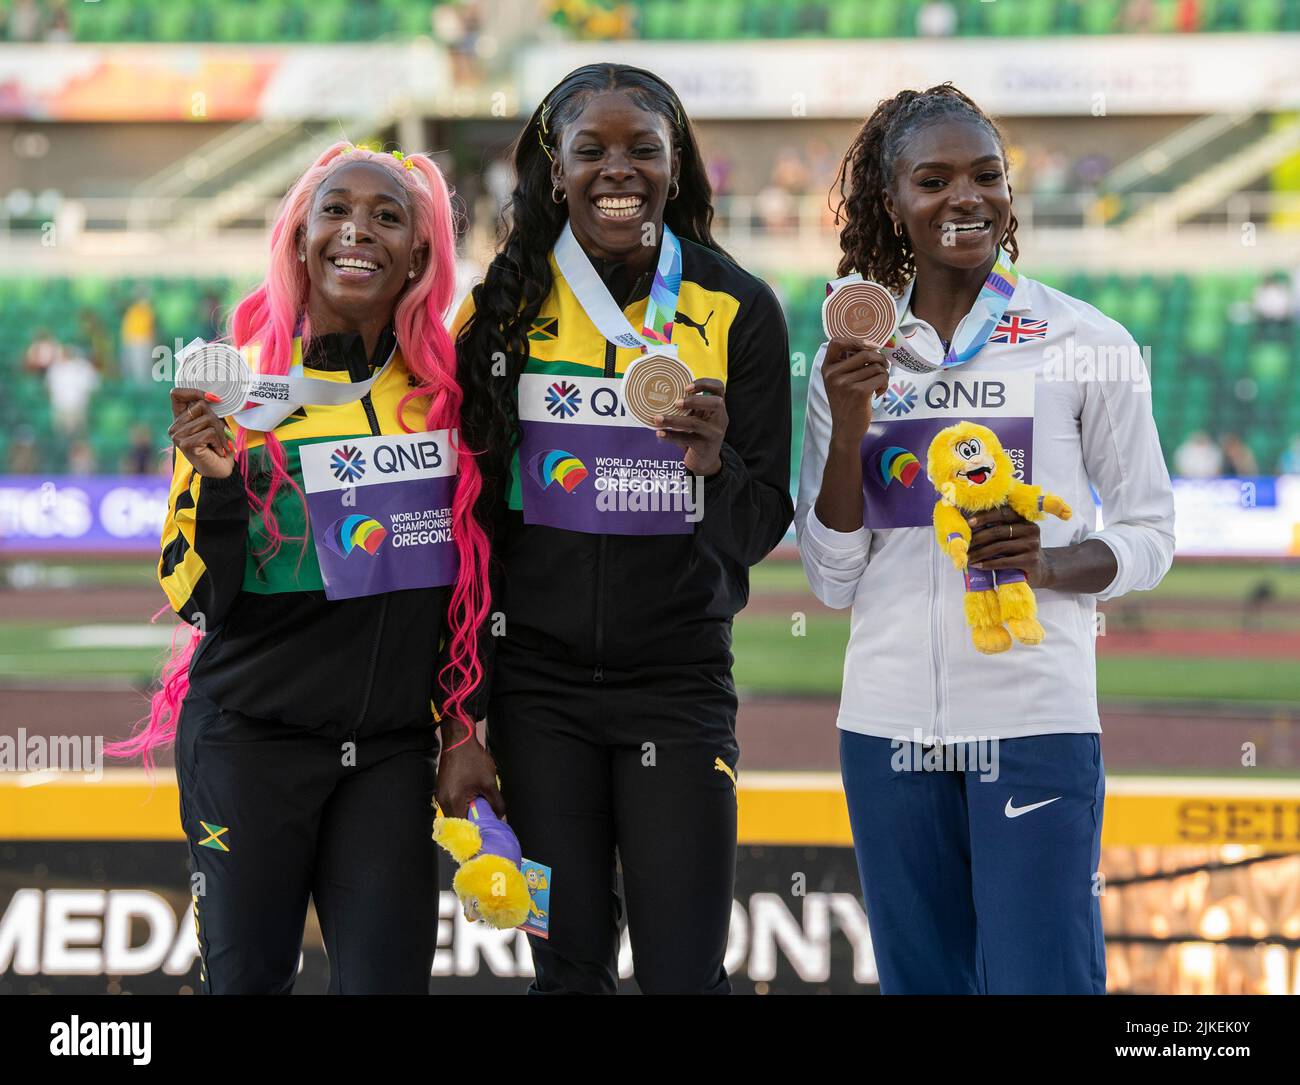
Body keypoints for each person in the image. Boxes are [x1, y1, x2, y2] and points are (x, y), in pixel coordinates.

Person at [796, 84, 1174, 995]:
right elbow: (832, 579)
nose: (964, 198)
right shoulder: (854, 355)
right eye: (933, 179)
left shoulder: (1086, 340)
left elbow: (1151, 532)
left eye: (986, 176)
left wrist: (1049, 563)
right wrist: (850, 423)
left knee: (1044, 978)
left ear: (1010, 193)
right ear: (893, 203)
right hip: (886, 726)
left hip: (1034, 719)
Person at [108, 143, 497, 994]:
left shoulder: (447, 402)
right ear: (299, 241)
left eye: (387, 216)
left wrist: (464, 731)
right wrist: (218, 488)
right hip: (249, 748)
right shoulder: (235, 397)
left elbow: (472, 596)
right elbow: (199, 598)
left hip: (388, 757)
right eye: (336, 211)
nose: (357, 230)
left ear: (420, 257)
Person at [456, 63, 793, 994]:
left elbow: (762, 523)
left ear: (676, 165)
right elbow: (472, 516)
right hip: (538, 697)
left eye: (643, 149)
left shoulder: (741, 308)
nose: (619, 170)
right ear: (553, 169)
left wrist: (715, 465)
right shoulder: (501, 311)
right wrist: (464, 703)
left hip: (679, 690)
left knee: (686, 973)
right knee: (565, 975)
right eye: (590, 149)